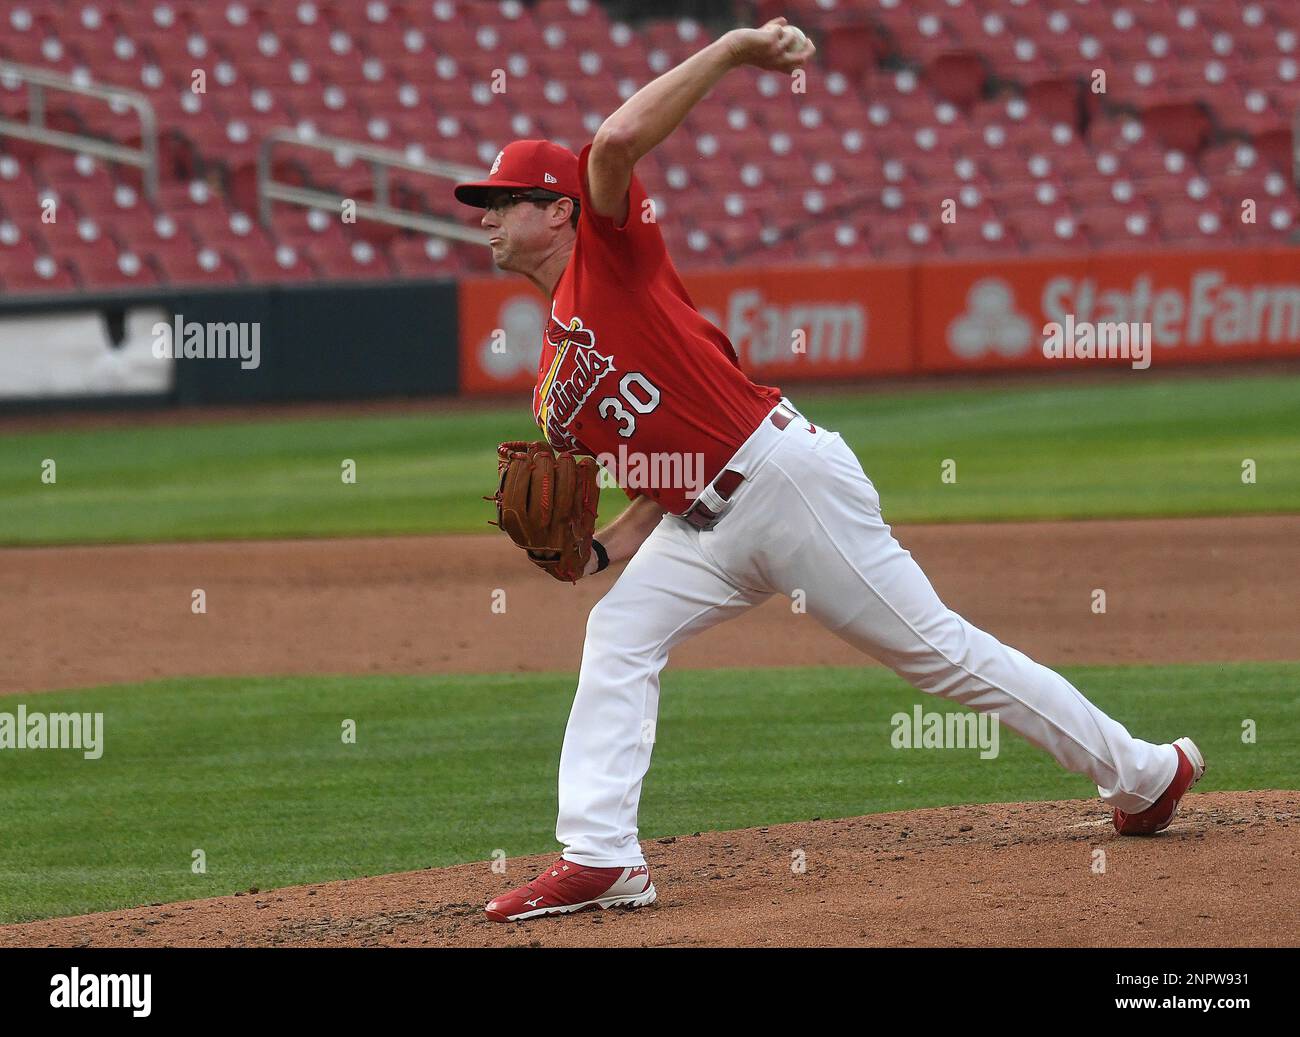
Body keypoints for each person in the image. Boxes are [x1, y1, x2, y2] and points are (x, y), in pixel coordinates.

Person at [453, 18, 1204, 923]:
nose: (485, 214)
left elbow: (612, 141)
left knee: (942, 657)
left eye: (505, 197)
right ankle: (603, 857)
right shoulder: (549, 386)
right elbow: (656, 478)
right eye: (482, 201)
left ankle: (1147, 774)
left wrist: (736, 47)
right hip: (702, 525)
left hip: (784, 481)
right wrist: (598, 555)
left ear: (561, 209)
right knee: (618, 634)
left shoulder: (613, 254)